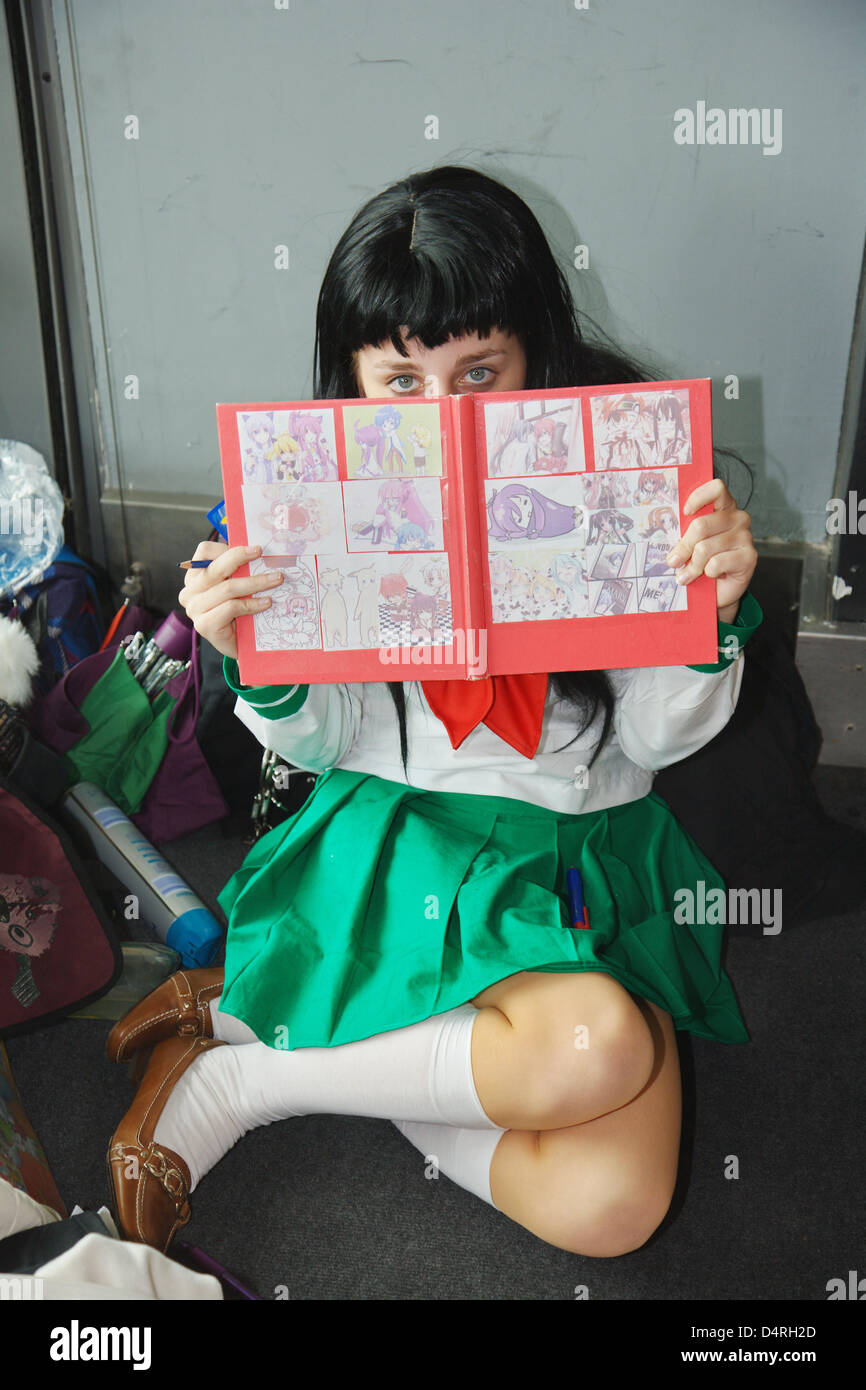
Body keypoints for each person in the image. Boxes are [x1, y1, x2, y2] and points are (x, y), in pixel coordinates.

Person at [106, 165, 761, 1261]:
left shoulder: (625, 469)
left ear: (534, 356)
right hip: (408, 847)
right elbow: (320, 742)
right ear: (352, 381)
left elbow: (652, 739)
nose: (444, 416)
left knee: (612, 1206)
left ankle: (262, 1018)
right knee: (599, 1045)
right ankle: (237, 1086)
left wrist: (713, 614)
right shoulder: (313, 497)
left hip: (578, 855)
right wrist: (251, 656)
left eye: (479, 373)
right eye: (399, 383)